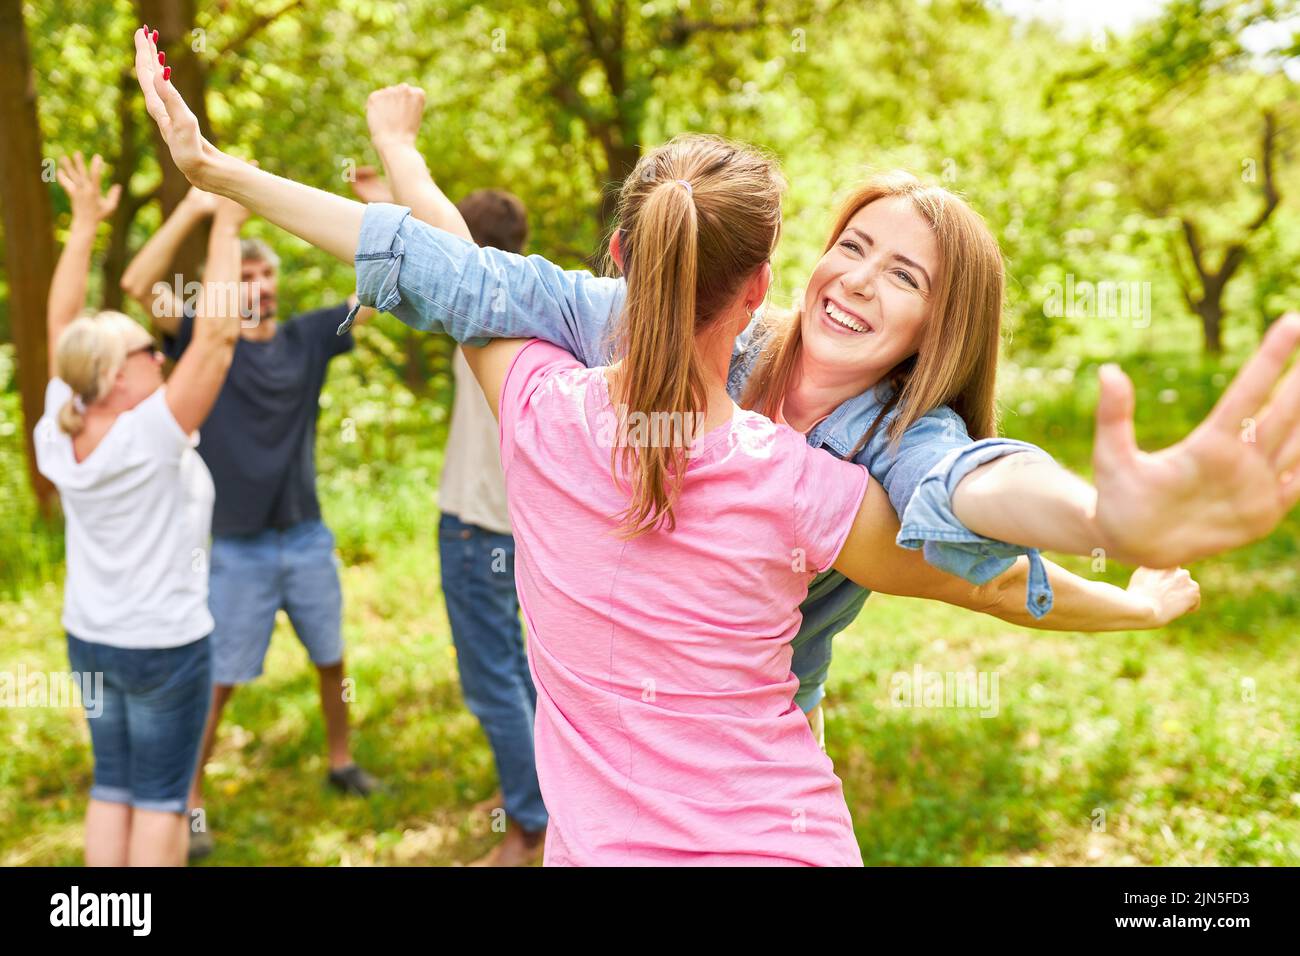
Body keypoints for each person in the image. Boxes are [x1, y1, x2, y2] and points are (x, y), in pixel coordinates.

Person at [133, 31, 1300, 857]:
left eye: (907, 278)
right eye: (856, 245)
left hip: (744, 739)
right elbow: (471, 281)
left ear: (939, 328)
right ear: (788, 269)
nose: (860, 281)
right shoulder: (686, 335)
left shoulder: (897, 438)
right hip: (628, 765)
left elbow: (986, 516)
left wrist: (1109, 532)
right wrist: (225, 171)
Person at [120, 188, 380, 864]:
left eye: (266, 275)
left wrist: (378, 208)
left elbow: (378, 289)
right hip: (236, 548)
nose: (258, 286)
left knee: (331, 659)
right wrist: (199, 210)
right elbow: (136, 284)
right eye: (244, 275)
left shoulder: (305, 339)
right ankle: (191, 799)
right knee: (220, 679)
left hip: (305, 535)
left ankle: (341, 760)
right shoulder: (207, 347)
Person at [34, 151, 244, 866]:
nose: (160, 354)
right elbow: (216, 339)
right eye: (146, 351)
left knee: (113, 786)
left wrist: (86, 222)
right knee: (160, 796)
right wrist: (228, 220)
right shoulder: (149, 434)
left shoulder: (61, 417)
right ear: (118, 380)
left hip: (90, 636)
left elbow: (61, 319)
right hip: (163, 647)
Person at [357, 86, 545, 866]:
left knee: (493, 680)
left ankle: (532, 825)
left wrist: (398, 168)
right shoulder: (543, 307)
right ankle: (532, 795)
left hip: (473, 529)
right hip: (521, 533)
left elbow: (440, 255)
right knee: (523, 673)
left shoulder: (476, 307)